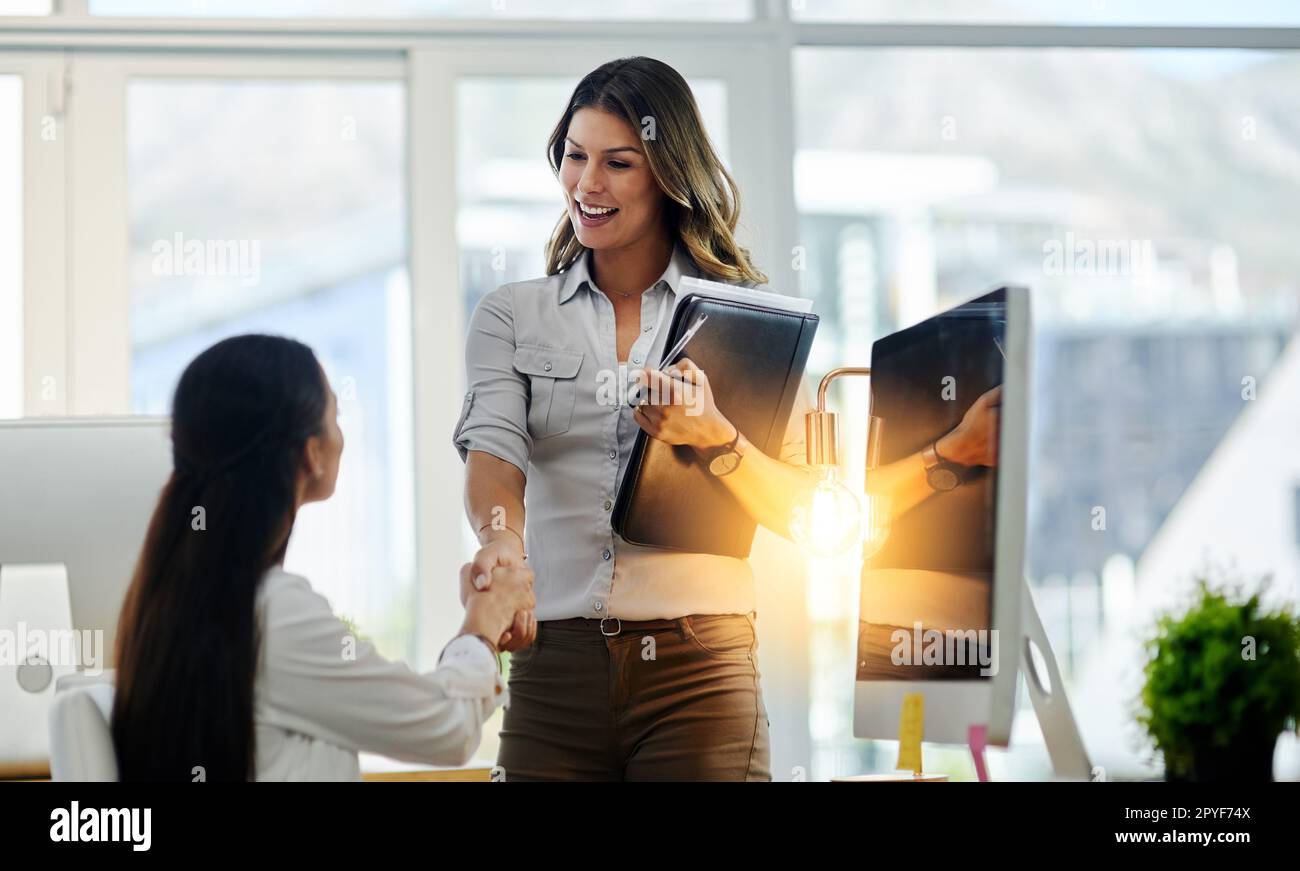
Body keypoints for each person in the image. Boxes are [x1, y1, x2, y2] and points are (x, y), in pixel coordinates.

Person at [111, 334, 533, 781]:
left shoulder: (164, 599)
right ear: (312, 452)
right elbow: (447, 727)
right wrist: (484, 623)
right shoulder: (274, 612)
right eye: (337, 414)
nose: (342, 436)